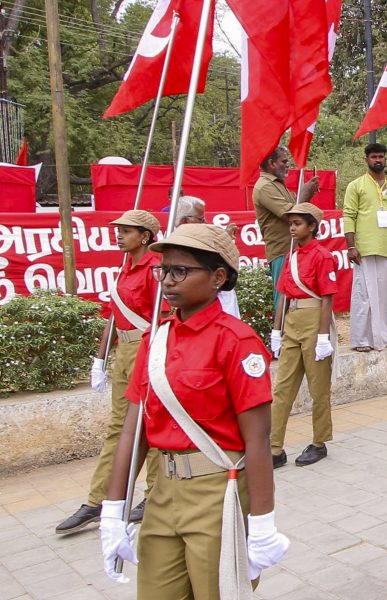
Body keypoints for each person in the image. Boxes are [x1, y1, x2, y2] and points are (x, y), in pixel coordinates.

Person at [99, 223, 288, 594]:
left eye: (181, 270)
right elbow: (132, 431)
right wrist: (113, 510)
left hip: (218, 491)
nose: (168, 280)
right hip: (162, 493)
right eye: (164, 270)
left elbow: (258, 439)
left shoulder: (237, 341)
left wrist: (263, 522)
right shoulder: (156, 340)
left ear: (218, 277)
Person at [57, 210, 165, 535]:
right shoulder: (124, 268)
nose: (119, 235)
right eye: (118, 230)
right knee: (119, 428)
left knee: (153, 424)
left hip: (149, 348)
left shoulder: (155, 268)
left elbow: (165, 316)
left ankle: (154, 495)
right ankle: (99, 500)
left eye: (127, 231)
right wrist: (100, 359)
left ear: (145, 236)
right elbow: (114, 315)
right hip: (124, 353)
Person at [269, 203, 338, 468]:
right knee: (282, 388)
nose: (292, 228)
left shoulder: (323, 256)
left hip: (314, 319)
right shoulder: (292, 257)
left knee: (318, 387)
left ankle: (319, 442)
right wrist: (276, 331)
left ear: (312, 226)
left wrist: (323, 337)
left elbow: (327, 298)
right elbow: (283, 295)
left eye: (297, 223)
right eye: (291, 223)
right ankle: (274, 447)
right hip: (292, 320)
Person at [344, 143, 387, 352]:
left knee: (385, 295)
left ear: (385, 159)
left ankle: (386, 336)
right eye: (374, 157)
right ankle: (361, 340)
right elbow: (349, 216)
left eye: (381, 156)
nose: (378, 160)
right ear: (366, 160)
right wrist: (351, 247)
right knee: (363, 295)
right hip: (363, 250)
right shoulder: (356, 185)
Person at [253, 146, 319, 305]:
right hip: (282, 251)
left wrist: (307, 195)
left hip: (294, 249)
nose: (288, 164)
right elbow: (290, 216)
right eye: (284, 161)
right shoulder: (264, 186)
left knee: (298, 296)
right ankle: (280, 323)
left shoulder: (278, 184)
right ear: (271, 163)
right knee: (284, 300)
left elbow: (298, 211)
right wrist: (304, 194)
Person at [173, 195, 242, 317]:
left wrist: (224, 240)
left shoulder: (203, 238)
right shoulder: (175, 246)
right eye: (201, 219)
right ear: (185, 221)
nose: (205, 223)